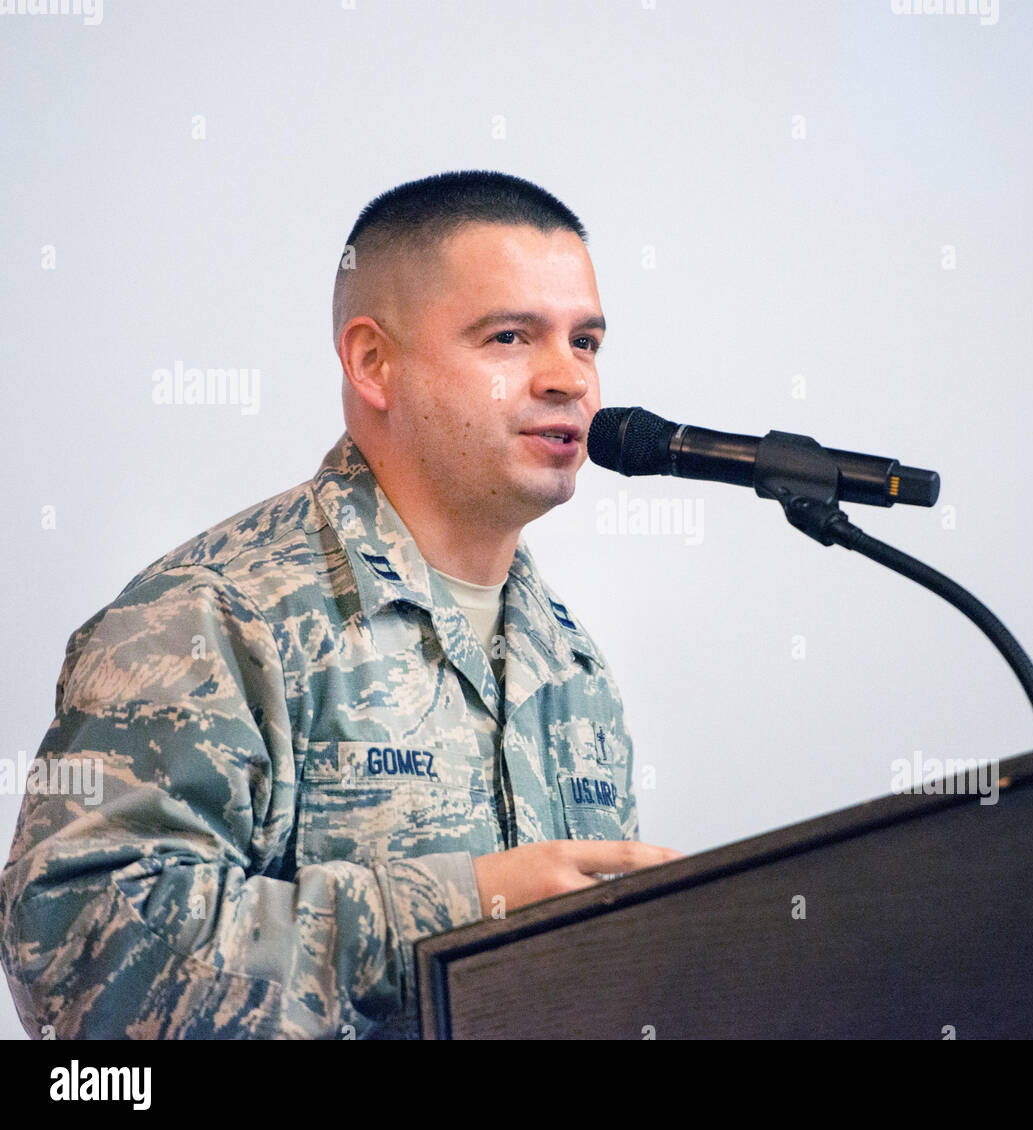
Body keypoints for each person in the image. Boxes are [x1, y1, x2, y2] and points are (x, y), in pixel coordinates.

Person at [0, 170, 680, 1039]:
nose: (569, 380)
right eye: (510, 336)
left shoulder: (572, 663)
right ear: (373, 362)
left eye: (585, 341)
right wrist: (455, 911)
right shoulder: (214, 616)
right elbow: (79, 955)